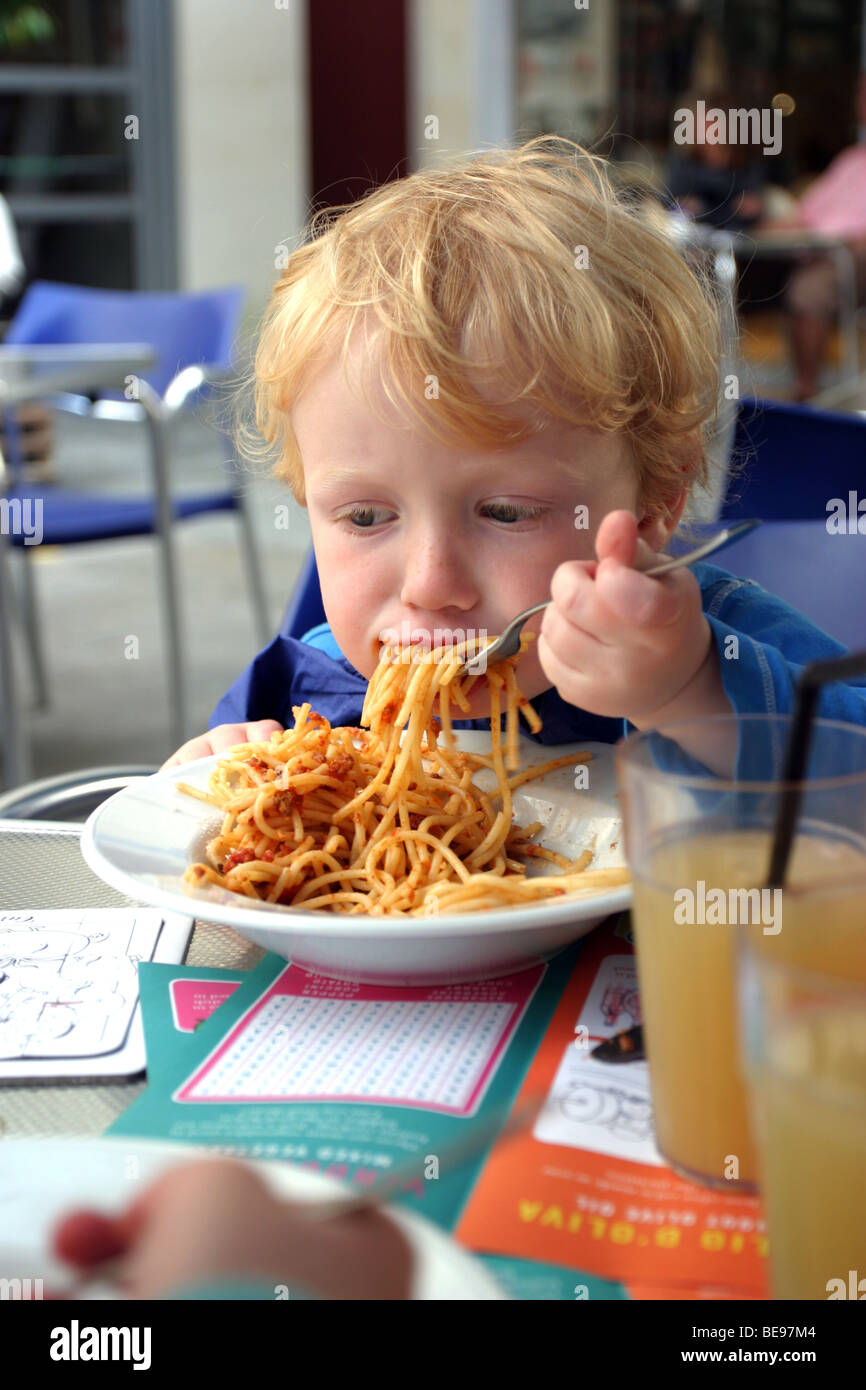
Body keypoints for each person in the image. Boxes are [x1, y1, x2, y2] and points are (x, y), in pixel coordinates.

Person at [163, 135, 866, 780]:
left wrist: (689, 693)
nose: (432, 584)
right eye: (367, 516)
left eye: (505, 512)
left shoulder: (716, 646)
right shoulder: (301, 688)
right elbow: (192, 852)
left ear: (656, 502)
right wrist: (209, 776)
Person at [766, 74, 866, 401]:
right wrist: (754, 225)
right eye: (860, 93)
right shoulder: (851, 159)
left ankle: (806, 392)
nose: (860, 101)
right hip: (816, 248)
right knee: (730, 267)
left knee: (810, 287)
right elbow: (806, 214)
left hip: (849, 254)